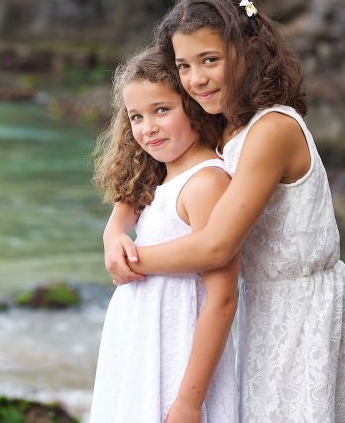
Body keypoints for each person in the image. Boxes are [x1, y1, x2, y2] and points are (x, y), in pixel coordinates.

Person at [104, 0, 345, 422]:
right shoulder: (221, 124)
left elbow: (216, 246)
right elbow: (153, 166)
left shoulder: (272, 129)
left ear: (249, 50)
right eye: (184, 66)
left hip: (305, 306)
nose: (196, 79)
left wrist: (131, 258)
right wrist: (114, 229)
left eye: (210, 60)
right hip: (260, 303)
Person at [89, 45, 240, 423]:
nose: (147, 128)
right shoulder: (159, 173)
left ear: (192, 104)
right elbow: (125, 209)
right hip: (139, 348)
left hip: (175, 357)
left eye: (161, 110)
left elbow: (222, 300)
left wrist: (189, 403)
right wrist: (112, 236)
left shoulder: (205, 183)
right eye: (135, 117)